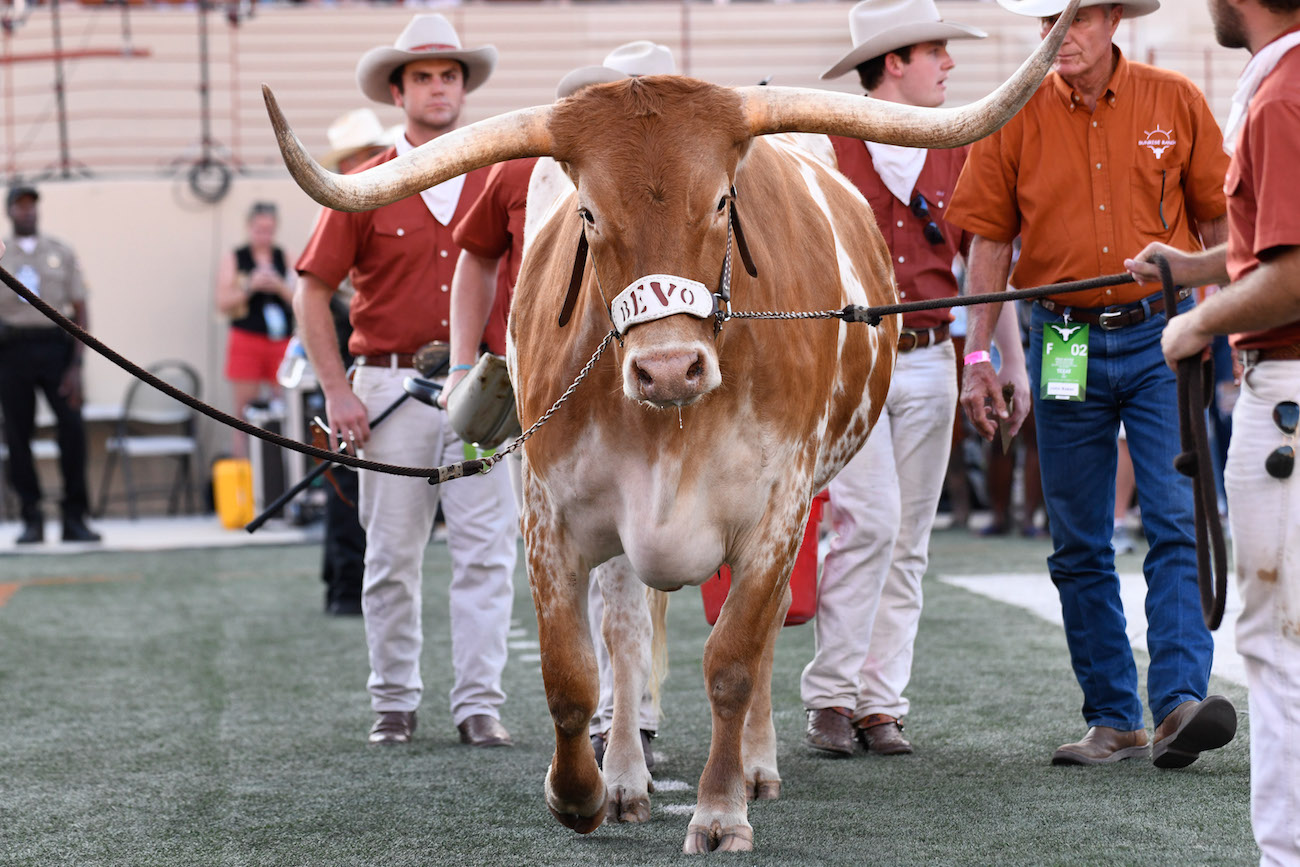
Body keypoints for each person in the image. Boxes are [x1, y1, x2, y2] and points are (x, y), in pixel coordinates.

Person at [947, 0, 1237, 767]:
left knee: (1175, 516)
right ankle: (1115, 716)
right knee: (1077, 538)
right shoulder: (1011, 112)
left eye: (1070, 18)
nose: (1056, 37)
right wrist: (978, 360)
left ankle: (1177, 704)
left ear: (1112, 18)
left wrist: (1224, 324)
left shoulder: (1175, 98)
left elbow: (1219, 226)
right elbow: (990, 240)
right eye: (1044, 22)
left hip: (1161, 333)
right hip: (1064, 336)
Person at [443, 40, 676, 767]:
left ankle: (629, 707)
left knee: (650, 545)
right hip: (553, 382)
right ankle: (605, 708)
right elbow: (478, 254)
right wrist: (460, 361)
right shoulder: (531, 162)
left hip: (650, 375)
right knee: (575, 551)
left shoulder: (683, 174)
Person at [293, 14, 519, 748]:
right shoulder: (366, 183)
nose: (438, 87)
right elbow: (310, 290)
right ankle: (392, 702)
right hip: (389, 386)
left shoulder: (504, 174)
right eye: (423, 76)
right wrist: (337, 391)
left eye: (449, 75)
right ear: (399, 91)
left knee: (487, 551)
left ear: (463, 86)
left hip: (487, 389)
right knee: (390, 555)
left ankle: (479, 704)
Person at [1127, 0, 1300, 857]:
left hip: (1287, 401)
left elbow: (1294, 276)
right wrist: (1194, 267)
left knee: (1276, 648)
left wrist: (1194, 321)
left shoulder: (1280, 98)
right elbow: (1268, 247)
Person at [801, 0, 992, 757]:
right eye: (935, 51)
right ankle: (832, 696)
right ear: (895, 63)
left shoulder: (963, 145)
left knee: (908, 537)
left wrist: (983, 360)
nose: (948, 63)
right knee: (867, 522)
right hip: (851, 363)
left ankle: (880, 703)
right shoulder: (822, 145)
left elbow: (985, 261)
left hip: (933, 355)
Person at [312, 108, 394, 618]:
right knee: (345, 468)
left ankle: (344, 577)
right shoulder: (342, 207)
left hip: (362, 335)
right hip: (349, 337)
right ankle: (344, 579)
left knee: (354, 466)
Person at [0, 185, 101, 545]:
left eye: (32, 206)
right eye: (20, 206)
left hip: (56, 350)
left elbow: (80, 307)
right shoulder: (2, 255)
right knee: (17, 436)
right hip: (11, 352)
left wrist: (76, 365)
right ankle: (32, 519)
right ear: (10, 211)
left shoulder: (60, 251)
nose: (27, 212)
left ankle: (75, 517)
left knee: (72, 431)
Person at [215, 201, 295, 458]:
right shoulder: (236, 257)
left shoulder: (285, 256)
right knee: (244, 415)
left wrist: (279, 286)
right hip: (246, 338)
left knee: (284, 409)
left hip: (280, 341)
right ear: (249, 228)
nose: (264, 236)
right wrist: (251, 286)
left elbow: (301, 299)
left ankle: (281, 473)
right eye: (259, 230)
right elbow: (223, 302)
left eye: (269, 230)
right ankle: (244, 479)